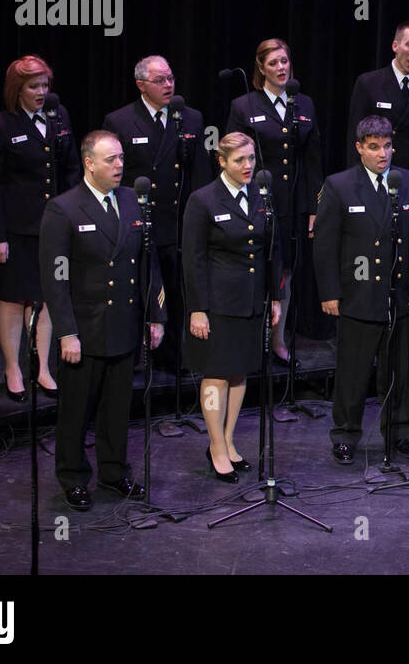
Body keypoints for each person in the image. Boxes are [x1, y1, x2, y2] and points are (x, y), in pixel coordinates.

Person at [39, 131, 166, 511]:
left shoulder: (133, 200)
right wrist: (66, 332)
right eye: (110, 159)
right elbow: (55, 278)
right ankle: (74, 477)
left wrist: (155, 316)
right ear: (89, 163)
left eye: (122, 158)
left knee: (116, 408)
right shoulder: (64, 209)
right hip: (86, 328)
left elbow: (149, 263)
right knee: (77, 411)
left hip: (124, 323)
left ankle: (114, 472)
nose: (119, 166)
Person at [314, 115, 409, 464]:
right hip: (357, 294)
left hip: (400, 295)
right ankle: (346, 434)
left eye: (387, 146)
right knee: (352, 371)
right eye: (374, 147)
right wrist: (329, 293)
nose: (383, 154)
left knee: (399, 370)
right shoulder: (339, 186)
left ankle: (399, 433)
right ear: (359, 148)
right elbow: (324, 246)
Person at [181, 133, 283, 482]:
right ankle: (216, 446)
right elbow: (192, 259)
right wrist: (197, 308)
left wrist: (274, 296)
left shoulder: (261, 194)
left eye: (251, 158)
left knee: (239, 372)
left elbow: (273, 248)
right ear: (221, 162)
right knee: (216, 373)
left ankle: (226, 440)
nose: (248, 166)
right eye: (239, 160)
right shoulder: (203, 200)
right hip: (218, 303)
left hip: (252, 299)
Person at [101, 55, 212, 371]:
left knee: (177, 292)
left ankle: (175, 358)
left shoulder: (190, 118)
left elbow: (200, 174)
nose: (168, 85)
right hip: (139, 223)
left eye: (171, 78)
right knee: (140, 292)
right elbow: (115, 178)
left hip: (177, 222)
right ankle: (134, 358)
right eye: (160, 80)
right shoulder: (120, 121)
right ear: (140, 85)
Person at [0, 55, 82, 401]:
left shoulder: (58, 116)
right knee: (13, 297)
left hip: (52, 225)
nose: (41, 92)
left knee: (46, 296)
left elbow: (70, 168)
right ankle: (12, 367)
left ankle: (42, 367)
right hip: (15, 228)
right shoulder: (2, 125)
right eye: (33, 86)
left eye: (45, 85)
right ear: (17, 90)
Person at [226, 38, 323, 365]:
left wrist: (314, 206)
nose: (281, 68)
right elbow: (232, 157)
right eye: (273, 63)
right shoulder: (244, 106)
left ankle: (279, 341)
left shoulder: (304, 103)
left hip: (293, 205)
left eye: (284, 61)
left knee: (286, 274)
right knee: (255, 270)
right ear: (261, 68)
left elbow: (312, 160)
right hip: (256, 202)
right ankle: (250, 342)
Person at [345, 21, 409, 224]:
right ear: (395, 46)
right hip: (378, 178)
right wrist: (356, 187)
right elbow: (354, 139)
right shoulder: (369, 84)